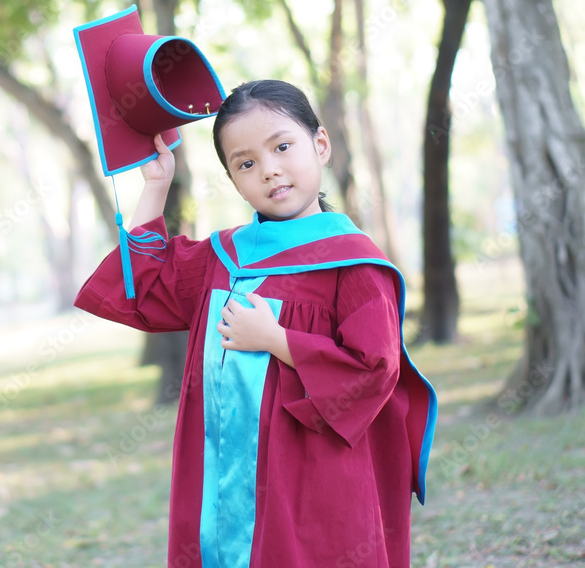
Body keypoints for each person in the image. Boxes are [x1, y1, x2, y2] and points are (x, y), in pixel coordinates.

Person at [74, 79, 437, 567]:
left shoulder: (352, 264)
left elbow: (375, 370)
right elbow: (144, 286)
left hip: (308, 473)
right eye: (246, 163)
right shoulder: (223, 257)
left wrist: (278, 340)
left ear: (320, 144)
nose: (269, 170)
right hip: (220, 472)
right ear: (233, 178)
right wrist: (155, 187)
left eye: (283, 147)